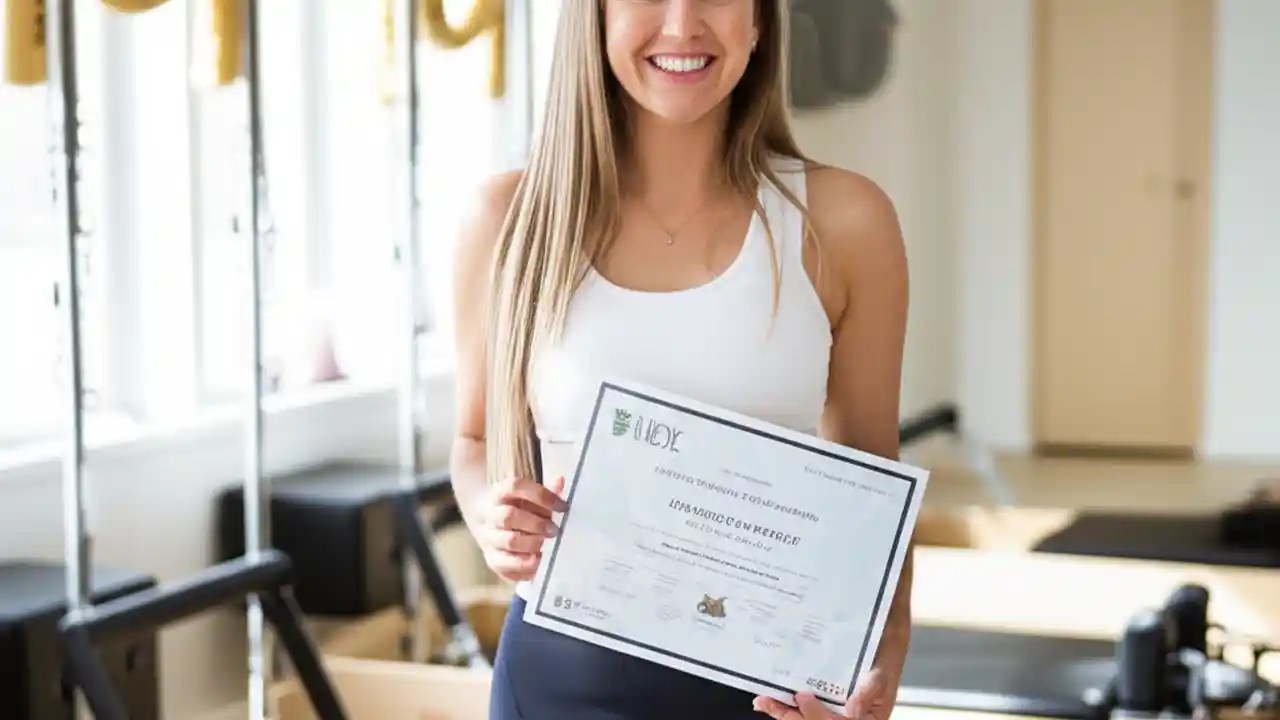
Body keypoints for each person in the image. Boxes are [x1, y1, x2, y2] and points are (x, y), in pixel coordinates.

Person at [449, 0, 912, 718]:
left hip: (771, 697)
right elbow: (471, 442)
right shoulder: (508, 219)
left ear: (759, 20)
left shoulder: (844, 221)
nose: (681, 23)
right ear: (593, 17)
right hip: (556, 689)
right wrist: (488, 516)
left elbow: (876, 493)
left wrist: (879, 671)